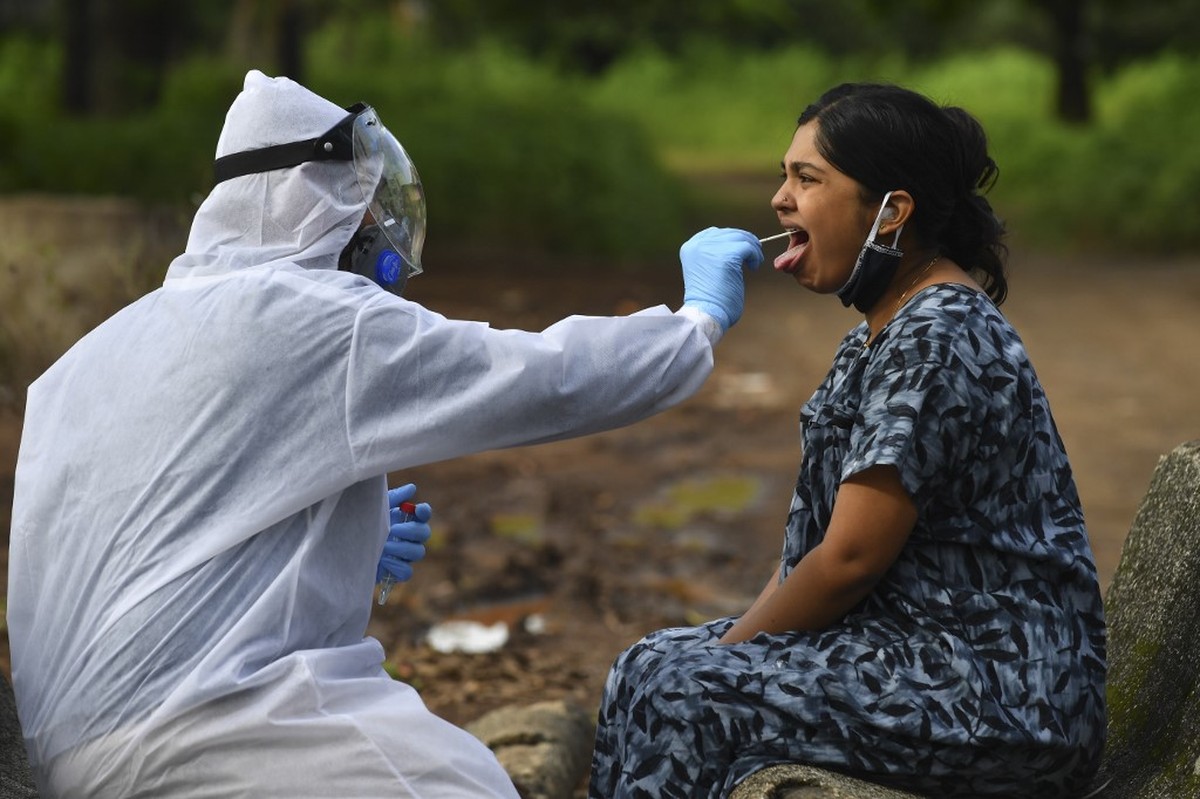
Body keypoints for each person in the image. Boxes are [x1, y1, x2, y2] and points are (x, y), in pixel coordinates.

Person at [6, 70, 763, 798]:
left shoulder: (95, 354)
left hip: (65, 742)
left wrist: (349, 547)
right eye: (364, 210)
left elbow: (153, 529)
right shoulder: (315, 317)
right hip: (205, 723)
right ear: (311, 196)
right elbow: (544, 376)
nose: (377, 233)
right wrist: (694, 322)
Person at [589, 82, 1107, 798]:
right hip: (905, 656)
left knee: (681, 690)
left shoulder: (938, 334)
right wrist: (726, 649)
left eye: (807, 178)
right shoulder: (878, 332)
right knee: (643, 665)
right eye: (784, 174)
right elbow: (809, 554)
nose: (779, 198)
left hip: (1000, 689)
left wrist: (728, 656)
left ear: (891, 212)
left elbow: (851, 558)